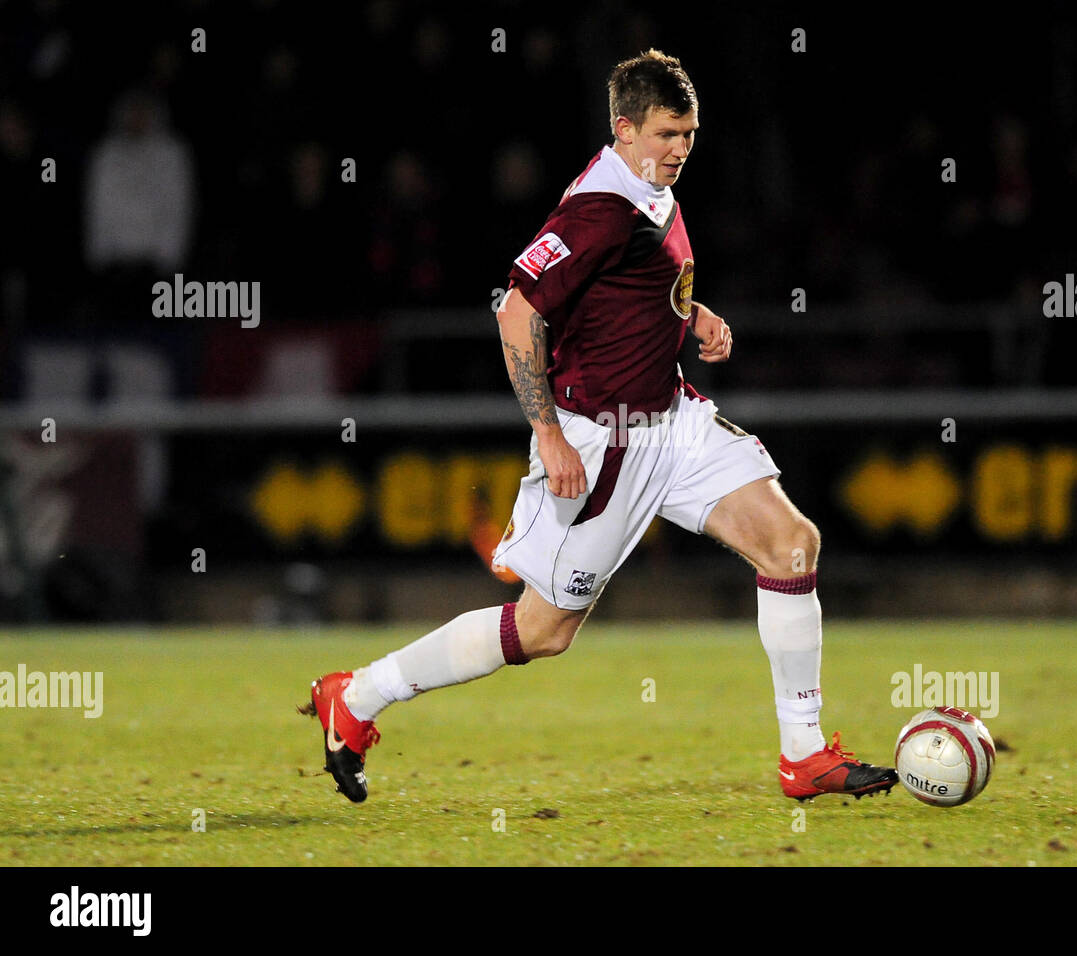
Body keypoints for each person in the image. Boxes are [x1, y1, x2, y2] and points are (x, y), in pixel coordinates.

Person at [302, 49, 898, 804]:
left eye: (690, 133)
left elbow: (626, 290)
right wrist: (549, 436)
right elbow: (517, 311)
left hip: (673, 423)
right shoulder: (596, 209)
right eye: (667, 134)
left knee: (791, 543)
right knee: (543, 631)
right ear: (624, 128)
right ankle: (355, 700)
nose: (681, 148)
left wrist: (692, 313)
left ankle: (804, 756)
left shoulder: (647, 187)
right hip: (602, 440)